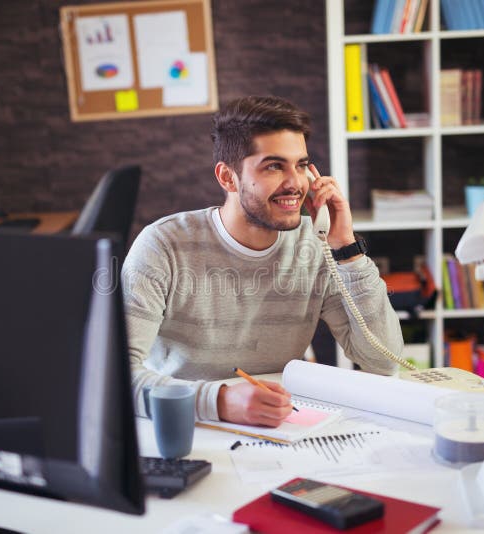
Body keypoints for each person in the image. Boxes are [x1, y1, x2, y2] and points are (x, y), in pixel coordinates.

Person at [122, 95, 403, 428]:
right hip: (184, 422)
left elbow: (384, 362)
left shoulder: (315, 244)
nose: (296, 184)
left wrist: (348, 250)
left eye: (301, 165)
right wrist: (222, 401)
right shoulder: (163, 246)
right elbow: (115, 376)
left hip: (277, 426)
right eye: (274, 166)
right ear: (227, 178)